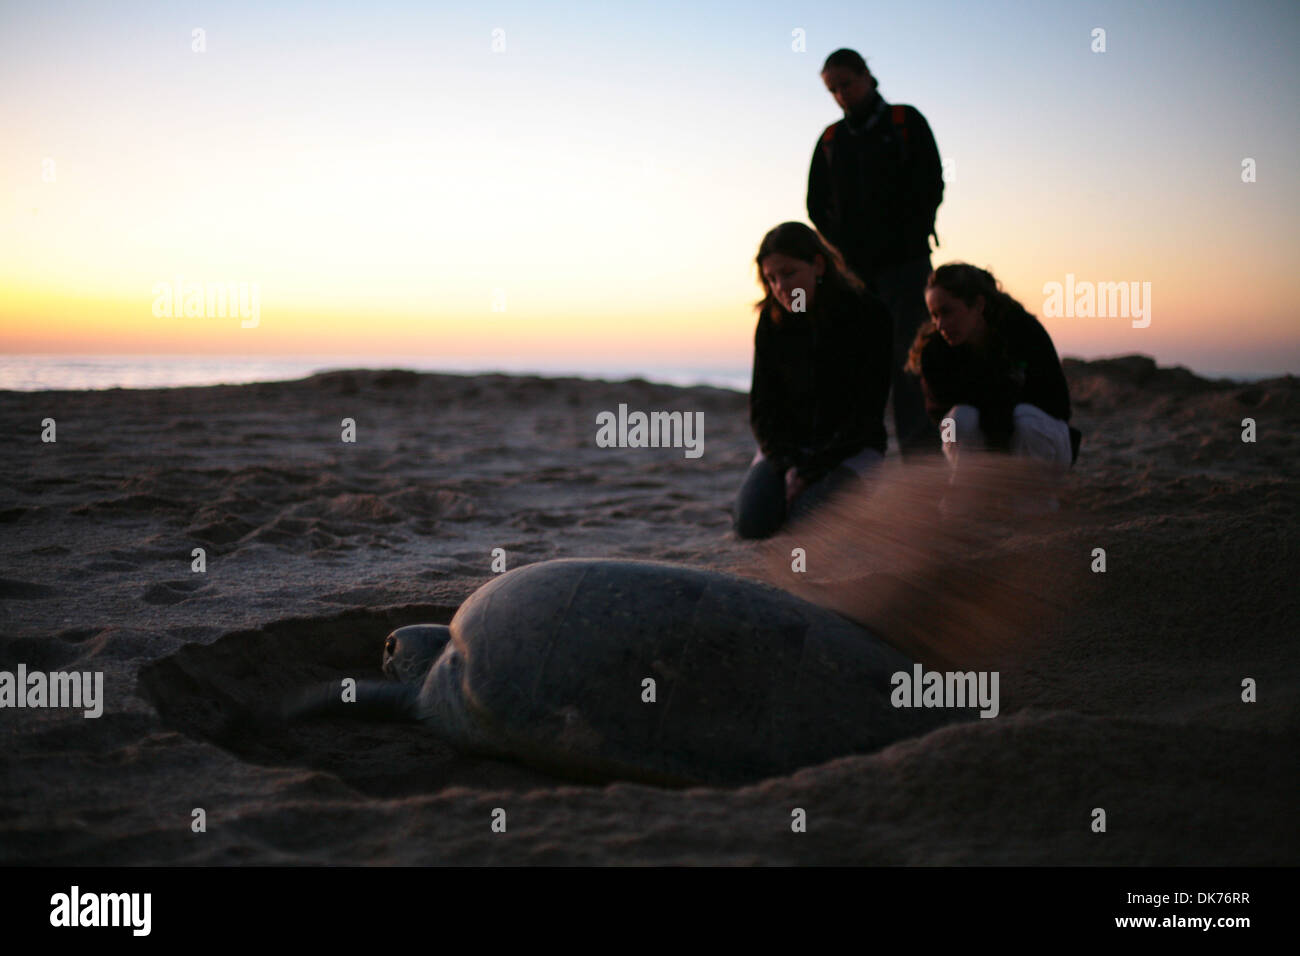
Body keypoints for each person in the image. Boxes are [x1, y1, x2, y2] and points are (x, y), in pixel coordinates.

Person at [807, 48, 944, 459]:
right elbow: (815, 205)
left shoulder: (905, 121)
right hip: (855, 274)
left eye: (846, 84)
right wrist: (842, 250)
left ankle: (920, 461)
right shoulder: (832, 139)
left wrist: (908, 233)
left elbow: (932, 183)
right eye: (832, 89)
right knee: (859, 364)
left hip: (907, 266)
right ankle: (861, 459)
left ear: (868, 76)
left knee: (911, 361)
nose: (841, 95)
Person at [733, 222, 893, 539]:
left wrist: (809, 473)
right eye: (771, 278)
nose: (780, 286)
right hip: (788, 450)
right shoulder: (771, 320)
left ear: (818, 264)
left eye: (789, 273)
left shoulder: (867, 314)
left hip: (850, 449)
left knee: (806, 520)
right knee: (752, 523)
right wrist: (787, 465)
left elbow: (866, 413)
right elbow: (762, 407)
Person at [904, 263, 1081, 473]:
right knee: (954, 421)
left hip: (1043, 446)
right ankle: (968, 486)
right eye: (934, 315)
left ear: (978, 305)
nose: (940, 325)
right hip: (976, 450)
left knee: (1026, 419)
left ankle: (1031, 499)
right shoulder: (934, 352)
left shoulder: (1023, 331)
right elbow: (938, 413)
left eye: (947, 312)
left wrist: (998, 411)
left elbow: (1058, 406)